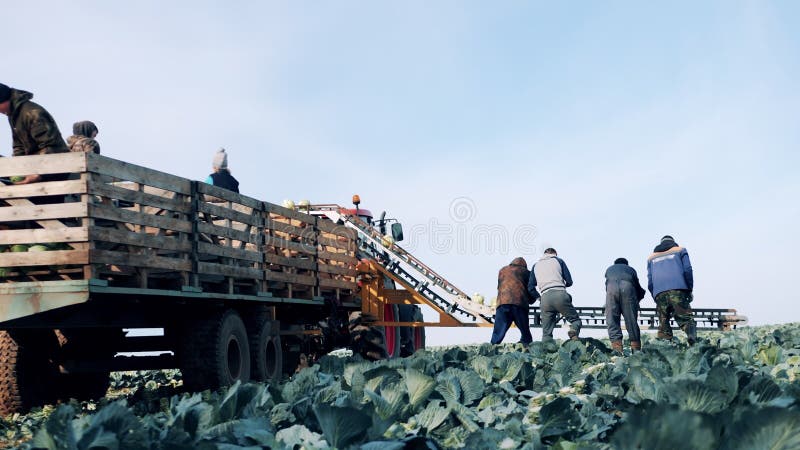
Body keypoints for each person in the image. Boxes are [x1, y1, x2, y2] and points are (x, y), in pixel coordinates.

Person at [0, 82, 69, 184]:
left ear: (4, 101)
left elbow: (52, 148)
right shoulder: (14, 115)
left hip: (52, 171)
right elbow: (19, 147)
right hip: (33, 168)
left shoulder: (32, 114)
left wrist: (38, 175)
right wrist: (17, 169)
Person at [647, 235, 697, 345]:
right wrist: (689, 289)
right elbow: (687, 269)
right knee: (685, 318)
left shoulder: (651, 257)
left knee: (663, 322)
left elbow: (650, 281)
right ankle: (692, 337)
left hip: (659, 292)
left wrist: (655, 295)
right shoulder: (680, 250)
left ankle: (666, 345)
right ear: (673, 242)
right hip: (678, 289)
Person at [528, 248, 581, 342]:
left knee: (546, 333)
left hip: (545, 298)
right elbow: (569, 281)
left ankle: (545, 351)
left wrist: (539, 298)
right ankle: (573, 330)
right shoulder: (558, 261)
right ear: (555, 254)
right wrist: (562, 286)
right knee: (576, 321)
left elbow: (530, 287)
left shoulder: (535, 266)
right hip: (559, 295)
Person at [605, 257, 646, 353]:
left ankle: (617, 349)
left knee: (612, 318)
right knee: (631, 319)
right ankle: (636, 349)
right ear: (626, 264)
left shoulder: (609, 269)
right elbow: (637, 287)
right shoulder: (631, 270)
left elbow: (606, 286)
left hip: (611, 289)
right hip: (627, 288)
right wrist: (638, 300)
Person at [490, 257, 534, 344]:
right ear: (524, 266)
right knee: (524, 329)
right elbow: (530, 288)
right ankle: (526, 345)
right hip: (519, 303)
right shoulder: (526, 272)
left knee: (499, 329)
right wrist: (532, 300)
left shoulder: (502, 270)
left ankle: (493, 346)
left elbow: (499, 286)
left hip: (502, 303)